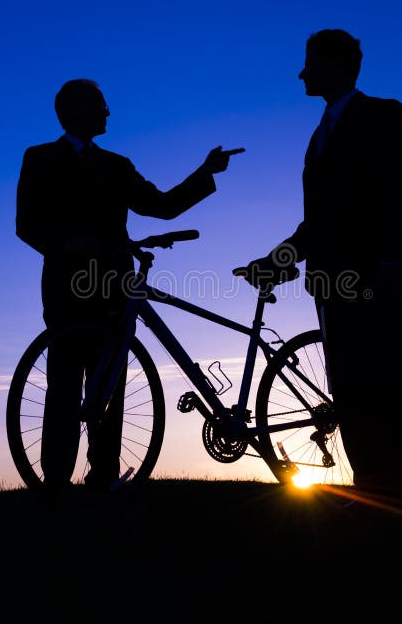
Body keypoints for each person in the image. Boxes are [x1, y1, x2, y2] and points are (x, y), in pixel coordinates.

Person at [16, 78, 243, 492]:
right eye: (100, 105)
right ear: (74, 110)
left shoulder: (117, 165)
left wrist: (205, 173)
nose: (108, 112)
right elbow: (27, 224)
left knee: (111, 385)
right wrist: (68, 245)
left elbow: (162, 206)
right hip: (68, 287)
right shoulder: (40, 158)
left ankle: (103, 479)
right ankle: (56, 482)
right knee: (64, 383)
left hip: (114, 286)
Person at [244, 29, 402, 512]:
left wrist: (390, 263)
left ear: (336, 64)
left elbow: (395, 194)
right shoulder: (319, 134)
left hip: (372, 276)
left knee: (384, 389)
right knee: (350, 390)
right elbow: (318, 222)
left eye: (311, 62)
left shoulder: (384, 114)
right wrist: (277, 260)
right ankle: (370, 494)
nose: (302, 73)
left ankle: (398, 498)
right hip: (329, 283)